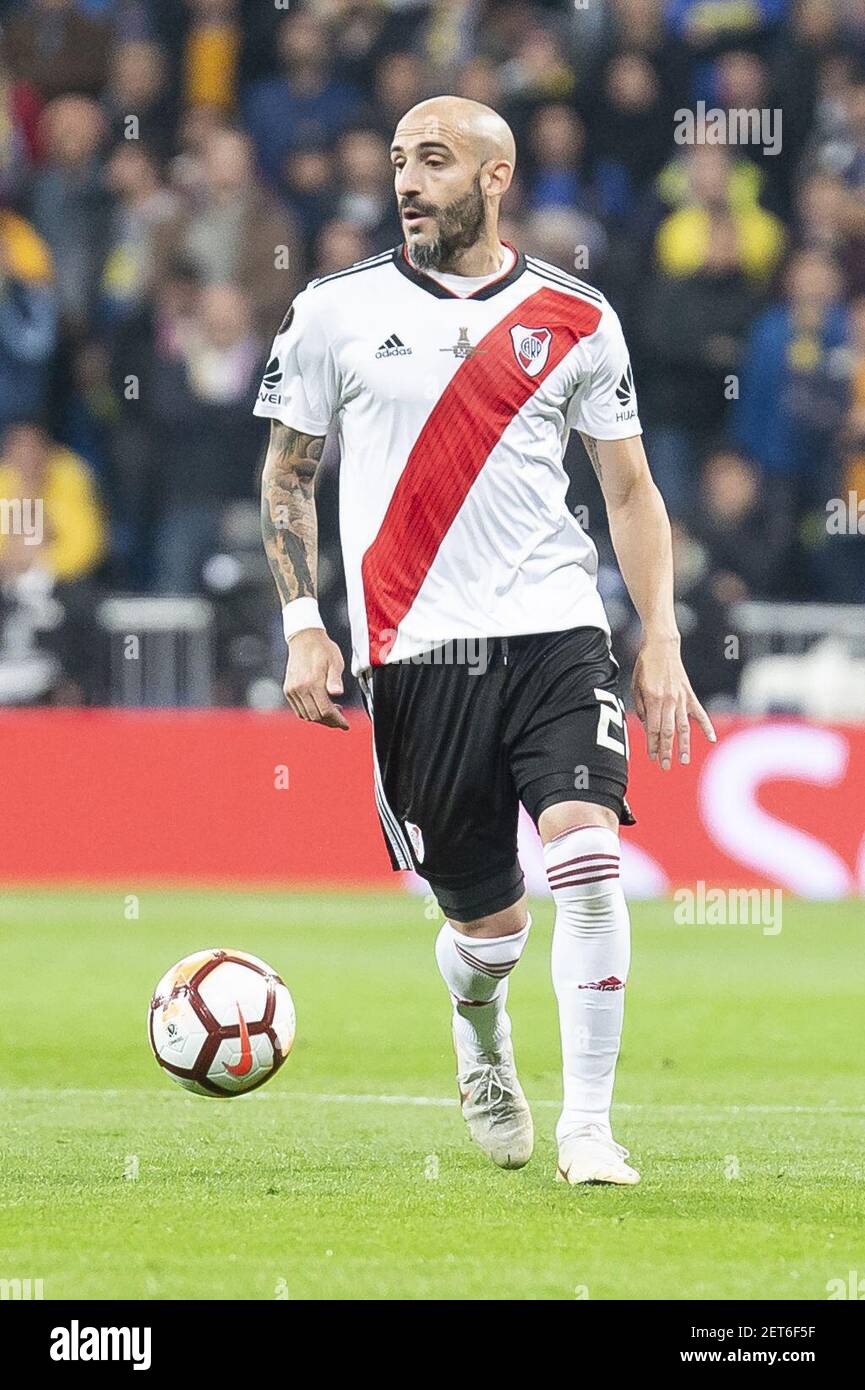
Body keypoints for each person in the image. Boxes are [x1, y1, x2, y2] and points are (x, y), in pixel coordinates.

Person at [255, 96, 715, 1187]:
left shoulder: (576, 316)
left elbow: (631, 491)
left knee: (590, 861)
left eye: (433, 159)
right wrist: (302, 625)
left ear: (495, 176)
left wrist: (661, 639)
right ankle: (479, 1030)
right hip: (413, 655)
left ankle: (589, 1127)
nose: (406, 179)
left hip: (555, 631)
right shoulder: (334, 311)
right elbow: (288, 473)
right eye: (400, 160)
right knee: (491, 928)